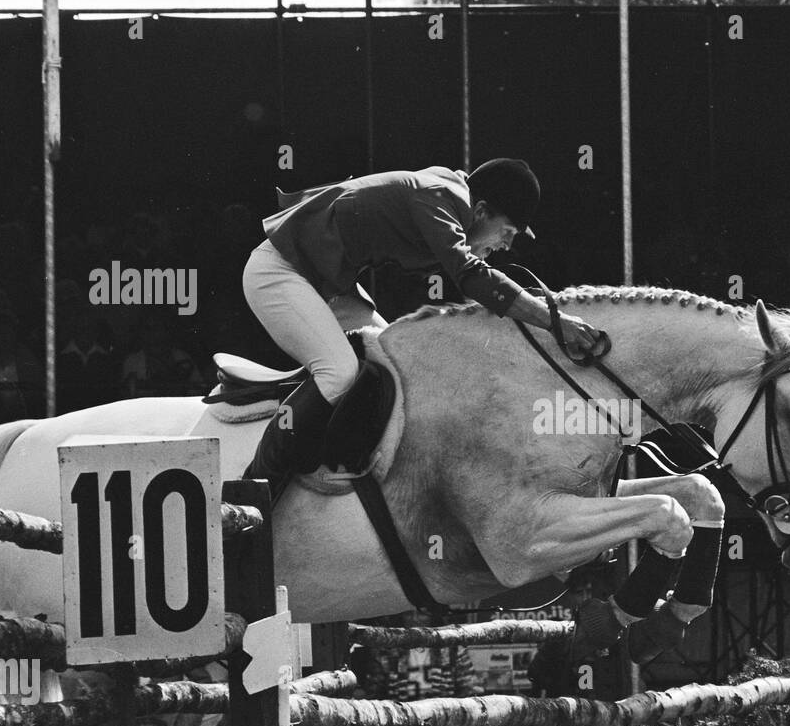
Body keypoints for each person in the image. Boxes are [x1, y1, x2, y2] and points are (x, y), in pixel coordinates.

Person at [242, 158, 605, 499]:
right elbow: (473, 279)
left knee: (394, 364)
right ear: (480, 211)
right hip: (279, 272)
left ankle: (345, 468)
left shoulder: (450, 196)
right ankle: (253, 489)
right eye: (507, 232)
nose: (507, 245)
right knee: (339, 372)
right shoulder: (438, 196)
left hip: (326, 286)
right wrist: (555, 320)